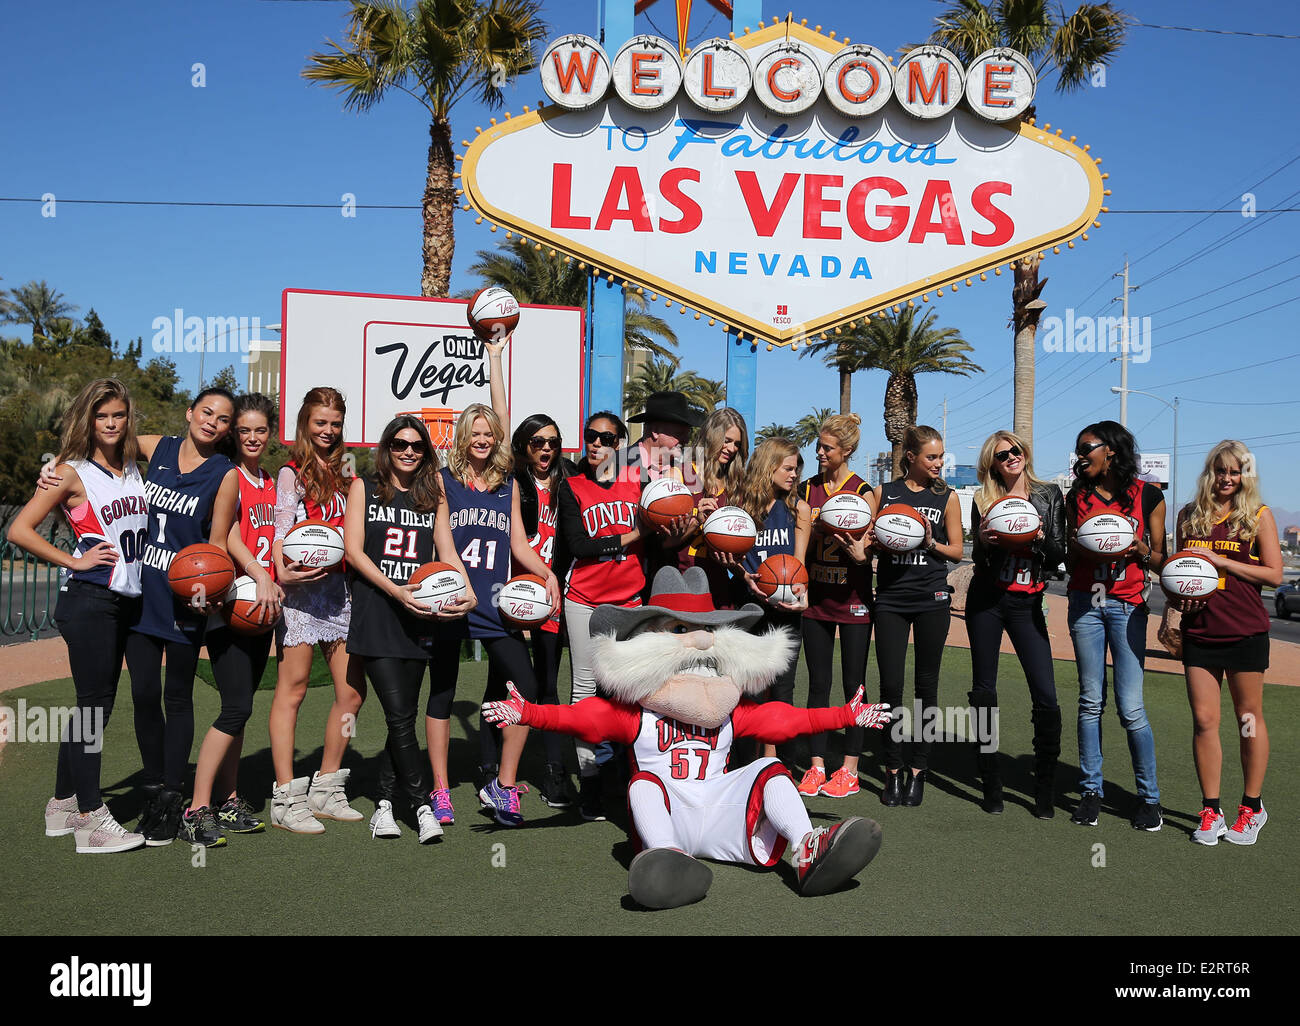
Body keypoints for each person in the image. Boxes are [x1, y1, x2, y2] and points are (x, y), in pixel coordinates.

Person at [10, 379, 149, 853]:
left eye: (118, 415)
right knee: (93, 706)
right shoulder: (71, 472)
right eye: (101, 416)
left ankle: (62, 804)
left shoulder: (132, 465)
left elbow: (175, 443)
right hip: (90, 600)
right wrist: (74, 560)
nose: (110, 424)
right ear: (87, 420)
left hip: (122, 601)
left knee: (95, 706)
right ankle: (91, 818)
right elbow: (19, 530)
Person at [428, 403, 560, 828]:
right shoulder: (443, 481)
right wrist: (460, 586)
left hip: (494, 603)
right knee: (443, 692)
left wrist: (546, 573)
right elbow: (444, 543)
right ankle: (440, 789)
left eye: (489, 434)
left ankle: (503, 784)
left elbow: (519, 545)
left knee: (526, 686)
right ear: (463, 436)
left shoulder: (508, 486)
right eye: (475, 433)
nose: (482, 440)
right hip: (452, 599)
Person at [344, 416, 475, 843]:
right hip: (378, 612)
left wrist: (469, 590)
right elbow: (354, 551)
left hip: (420, 615)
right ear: (387, 447)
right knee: (399, 715)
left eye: (417, 446)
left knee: (402, 717)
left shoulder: (431, 492)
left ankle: (383, 804)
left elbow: (446, 548)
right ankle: (421, 806)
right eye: (400, 444)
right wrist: (395, 591)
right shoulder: (364, 486)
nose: (408, 451)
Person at [181, 393, 284, 847]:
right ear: (234, 434)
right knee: (235, 707)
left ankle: (229, 798)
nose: (253, 437)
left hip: (261, 609)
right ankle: (196, 807)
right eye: (244, 430)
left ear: (270, 433)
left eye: (260, 430)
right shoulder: (229, 474)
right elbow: (229, 536)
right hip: (231, 604)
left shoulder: (269, 480)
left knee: (241, 710)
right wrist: (260, 574)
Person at [1173, 441, 1282, 846]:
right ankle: (1211, 810)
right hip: (1200, 632)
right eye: (1221, 470)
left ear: (1245, 475)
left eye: (1235, 472)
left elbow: (1274, 575)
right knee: (1204, 721)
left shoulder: (1257, 515)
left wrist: (1224, 562)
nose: (1227, 478)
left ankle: (1251, 807)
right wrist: (1179, 597)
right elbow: (1178, 572)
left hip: (1245, 631)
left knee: (1247, 719)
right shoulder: (1188, 516)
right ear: (1210, 472)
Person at [486, 338, 579, 809]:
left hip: (551, 593)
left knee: (546, 685)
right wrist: (495, 358)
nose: (546, 449)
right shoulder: (512, 478)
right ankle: (490, 768)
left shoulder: (569, 479)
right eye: (538, 442)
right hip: (512, 590)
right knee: (499, 681)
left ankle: (554, 772)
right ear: (524, 446)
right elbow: (500, 421)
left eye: (553, 443)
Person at [268, 387, 366, 833]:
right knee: (294, 689)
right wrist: (282, 572)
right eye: (320, 422)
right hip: (302, 594)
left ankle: (325, 787)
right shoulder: (291, 473)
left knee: (351, 692)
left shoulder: (347, 470)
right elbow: (281, 531)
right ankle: (286, 798)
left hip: (339, 592)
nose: (328, 431)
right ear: (305, 423)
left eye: (335, 423)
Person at [1065, 420, 1166, 831]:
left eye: (1086, 447)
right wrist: (1080, 546)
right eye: (1078, 449)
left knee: (1131, 707)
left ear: (1110, 449)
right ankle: (1091, 791)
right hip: (1085, 603)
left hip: (1128, 606)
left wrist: (1139, 549)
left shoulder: (1149, 495)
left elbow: (1161, 560)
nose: (1080, 456)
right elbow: (1068, 558)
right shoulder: (1076, 496)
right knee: (1090, 702)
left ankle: (1149, 799)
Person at [966, 430, 1067, 818]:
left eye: (1015, 450)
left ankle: (1044, 786)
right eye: (1002, 454)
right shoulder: (983, 499)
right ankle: (990, 780)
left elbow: (1058, 554)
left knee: (1046, 695)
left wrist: (1038, 536)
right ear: (991, 463)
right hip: (988, 600)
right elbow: (980, 560)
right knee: (984, 690)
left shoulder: (1049, 494)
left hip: (1027, 604)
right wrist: (986, 542)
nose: (1011, 457)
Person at [556, 409, 647, 820]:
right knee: (584, 691)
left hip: (630, 600)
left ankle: (634, 777)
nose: (596, 444)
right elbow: (579, 545)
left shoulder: (637, 482)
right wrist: (633, 535)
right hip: (584, 599)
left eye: (606, 439)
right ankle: (590, 782)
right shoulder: (572, 485)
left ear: (619, 444)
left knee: (631, 691)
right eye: (591, 436)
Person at [870, 424, 963, 808]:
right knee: (891, 687)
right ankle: (892, 769)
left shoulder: (947, 497)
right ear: (911, 457)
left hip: (932, 597)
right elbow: (867, 543)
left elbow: (956, 551)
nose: (939, 463)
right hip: (891, 599)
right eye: (932, 457)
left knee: (926, 687)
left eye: (940, 456)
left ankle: (918, 769)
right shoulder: (884, 494)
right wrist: (875, 540)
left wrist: (929, 542)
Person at [796, 413, 876, 799]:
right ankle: (816, 766)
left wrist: (862, 556)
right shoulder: (806, 488)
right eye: (819, 446)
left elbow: (870, 552)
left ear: (847, 450)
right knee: (818, 684)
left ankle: (850, 768)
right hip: (817, 599)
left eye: (827, 448)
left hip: (854, 599)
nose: (820, 453)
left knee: (853, 685)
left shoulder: (864, 492)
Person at [737, 437, 812, 764]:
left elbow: (799, 566)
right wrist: (745, 576)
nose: (794, 475)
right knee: (750, 693)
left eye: (797, 469)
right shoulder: (741, 508)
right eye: (788, 468)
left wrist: (802, 596)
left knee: (782, 693)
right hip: (750, 609)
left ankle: (780, 769)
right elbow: (734, 558)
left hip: (786, 613)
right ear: (769, 467)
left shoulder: (799, 509)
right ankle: (744, 768)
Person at [675, 407, 750, 609]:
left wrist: (741, 568)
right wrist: (696, 521)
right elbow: (664, 544)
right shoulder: (680, 474)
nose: (732, 449)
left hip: (718, 591)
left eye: (737, 444)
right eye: (727, 440)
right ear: (711, 435)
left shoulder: (735, 487)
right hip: (682, 585)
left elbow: (729, 553)